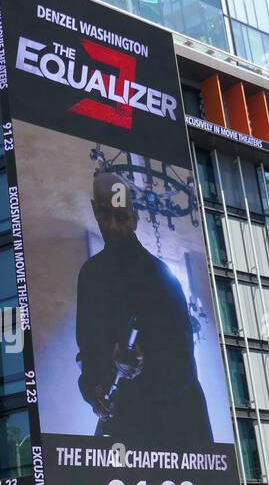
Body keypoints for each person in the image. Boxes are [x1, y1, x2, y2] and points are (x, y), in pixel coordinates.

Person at [75, 171, 210, 448]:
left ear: (135, 218)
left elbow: (184, 363)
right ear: (94, 210)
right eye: (104, 214)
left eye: (121, 217)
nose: (112, 225)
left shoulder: (160, 276)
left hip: (171, 423)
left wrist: (143, 362)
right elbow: (87, 350)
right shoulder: (90, 275)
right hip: (124, 418)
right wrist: (92, 389)